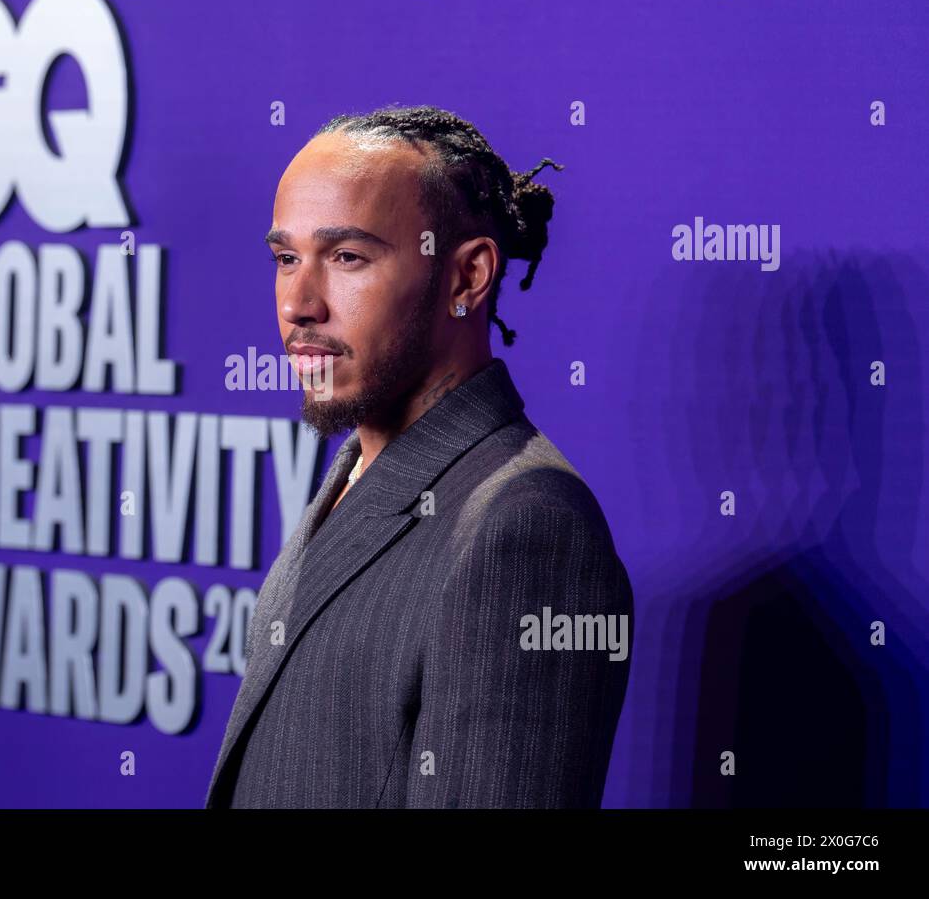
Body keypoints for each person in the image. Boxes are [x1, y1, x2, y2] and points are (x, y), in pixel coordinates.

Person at [205, 104, 633, 808]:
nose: (298, 304)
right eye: (287, 259)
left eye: (347, 257)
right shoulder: (354, 468)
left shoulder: (525, 527)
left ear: (467, 277)